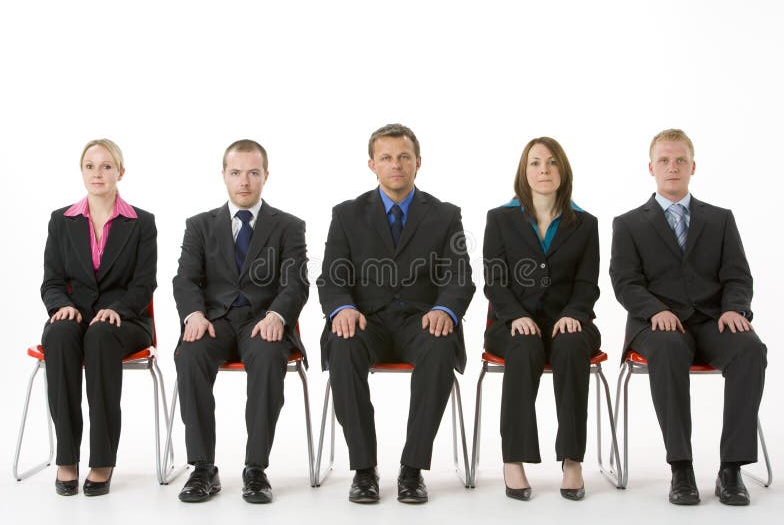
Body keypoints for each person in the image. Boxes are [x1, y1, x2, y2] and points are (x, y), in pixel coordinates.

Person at [317, 123, 475, 504]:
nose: (396, 165)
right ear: (372, 164)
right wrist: (342, 308)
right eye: (386, 158)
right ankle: (364, 470)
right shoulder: (347, 214)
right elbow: (332, 275)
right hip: (365, 320)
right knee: (343, 345)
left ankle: (412, 469)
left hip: (420, 321)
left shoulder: (444, 215)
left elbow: (460, 275)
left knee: (439, 347)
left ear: (418, 162)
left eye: (404, 157)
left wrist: (444, 309)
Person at [609, 129, 767, 506]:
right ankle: (681, 467)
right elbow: (625, 282)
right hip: (657, 324)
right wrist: (656, 311)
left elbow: (738, 275)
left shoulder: (720, 219)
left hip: (713, 321)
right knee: (667, 348)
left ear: (693, 166)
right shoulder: (629, 224)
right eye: (664, 160)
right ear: (651, 168)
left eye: (680, 160)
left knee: (750, 349)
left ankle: (731, 468)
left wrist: (734, 308)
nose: (672, 167)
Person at [172, 139, 308, 504]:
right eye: (236, 173)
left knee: (267, 355)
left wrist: (278, 315)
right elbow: (185, 279)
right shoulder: (200, 225)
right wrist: (194, 315)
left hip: (262, 322)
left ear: (266, 176)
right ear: (223, 176)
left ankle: (255, 469)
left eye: (252, 173)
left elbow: (295, 281)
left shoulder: (289, 226)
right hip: (213, 321)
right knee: (190, 355)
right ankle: (202, 468)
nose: (244, 182)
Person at [483, 137, 600, 501]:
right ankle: (513, 459)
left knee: (569, 345)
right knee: (525, 345)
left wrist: (573, 314)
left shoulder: (585, 223)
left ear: (563, 170)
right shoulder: (500, 219)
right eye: (535, 163)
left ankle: (572, 459)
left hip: (570, 322)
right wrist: (516, 315)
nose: (544, 170)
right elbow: (495, 280)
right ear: (524, 171)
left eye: (551, 162)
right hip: (512, 323)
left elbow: (587, 284)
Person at [41, 139, 157, 496]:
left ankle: (102, 459)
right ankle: (66, 458)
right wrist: (62, 304)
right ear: (81, 171)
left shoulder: (141, 223)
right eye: (90, 166)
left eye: (106, 166)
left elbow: (144, 284)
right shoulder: (62, 220)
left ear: (120, 172)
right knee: (59, 334)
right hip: (75, 318)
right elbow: (52, 280)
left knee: (101, 336)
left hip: (126, 320)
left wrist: (117, 309)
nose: (97, 173)